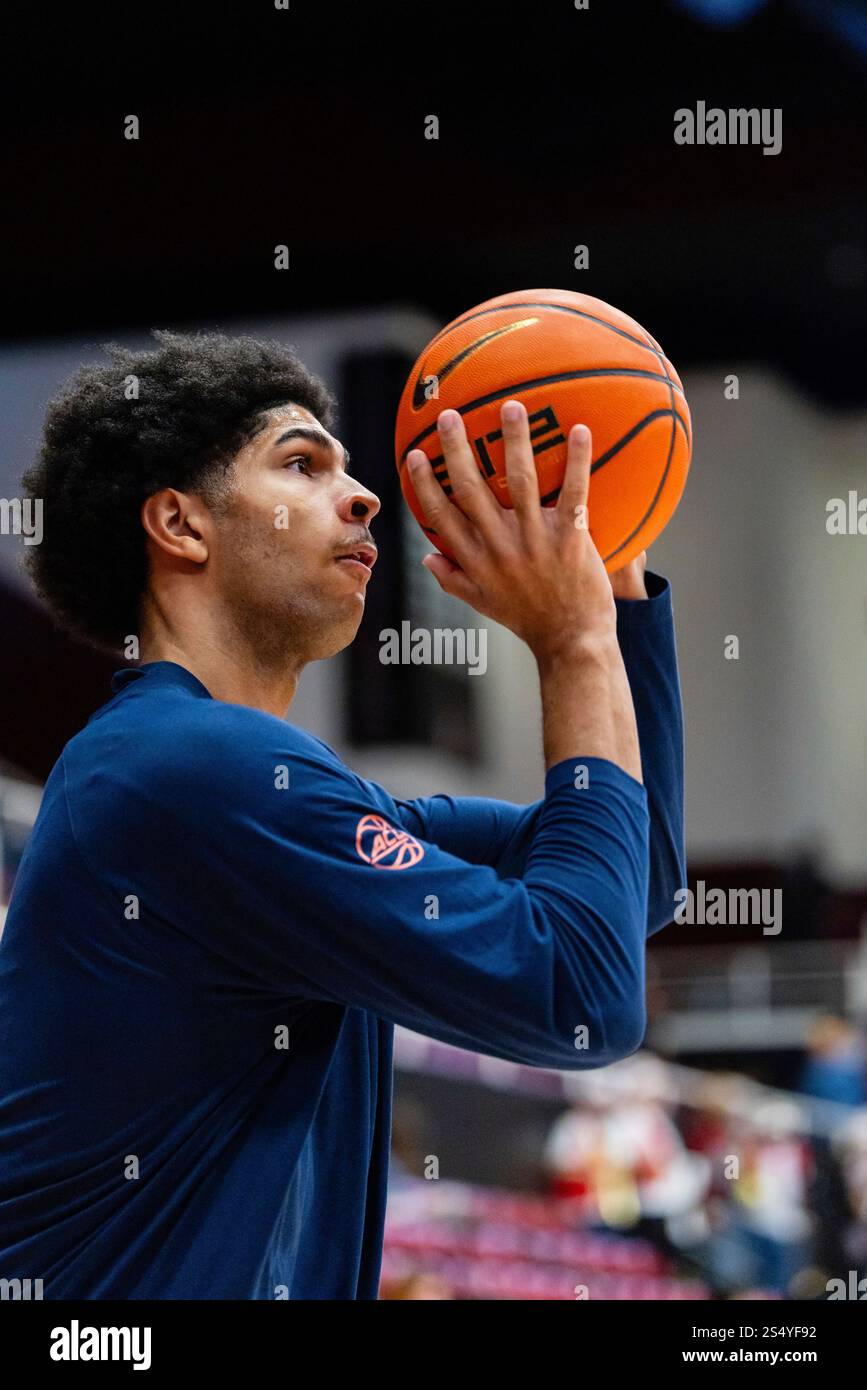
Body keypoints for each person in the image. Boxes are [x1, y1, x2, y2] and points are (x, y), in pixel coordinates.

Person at [0, 331, 685, 1298]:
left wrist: (612, 588)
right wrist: (572, 645)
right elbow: (583, 997)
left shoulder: (260, 791)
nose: (364, 498)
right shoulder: (185, 770)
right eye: (302, 464)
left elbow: (636, 881)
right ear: (180, 525)